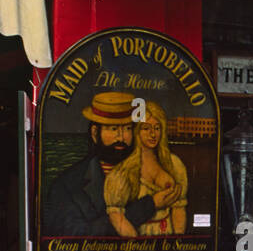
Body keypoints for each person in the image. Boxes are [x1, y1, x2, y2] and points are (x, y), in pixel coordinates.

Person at [42, 92, 175, 236]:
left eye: (127, 128)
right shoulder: (67, 185)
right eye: (113, 129)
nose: (122, 137)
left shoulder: (150, 172)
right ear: (94, 133)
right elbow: (78, 236)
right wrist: (149, 206)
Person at [104, 101, 188, 237]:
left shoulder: (174, 164)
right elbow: (117, 217)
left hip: (168, 238)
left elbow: (179, 208)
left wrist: (176, 242)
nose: (153, 134)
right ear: (137, 131)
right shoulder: (123, 172)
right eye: (146, 128)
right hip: (138, 239)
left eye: (157, 128)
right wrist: (138, 247)